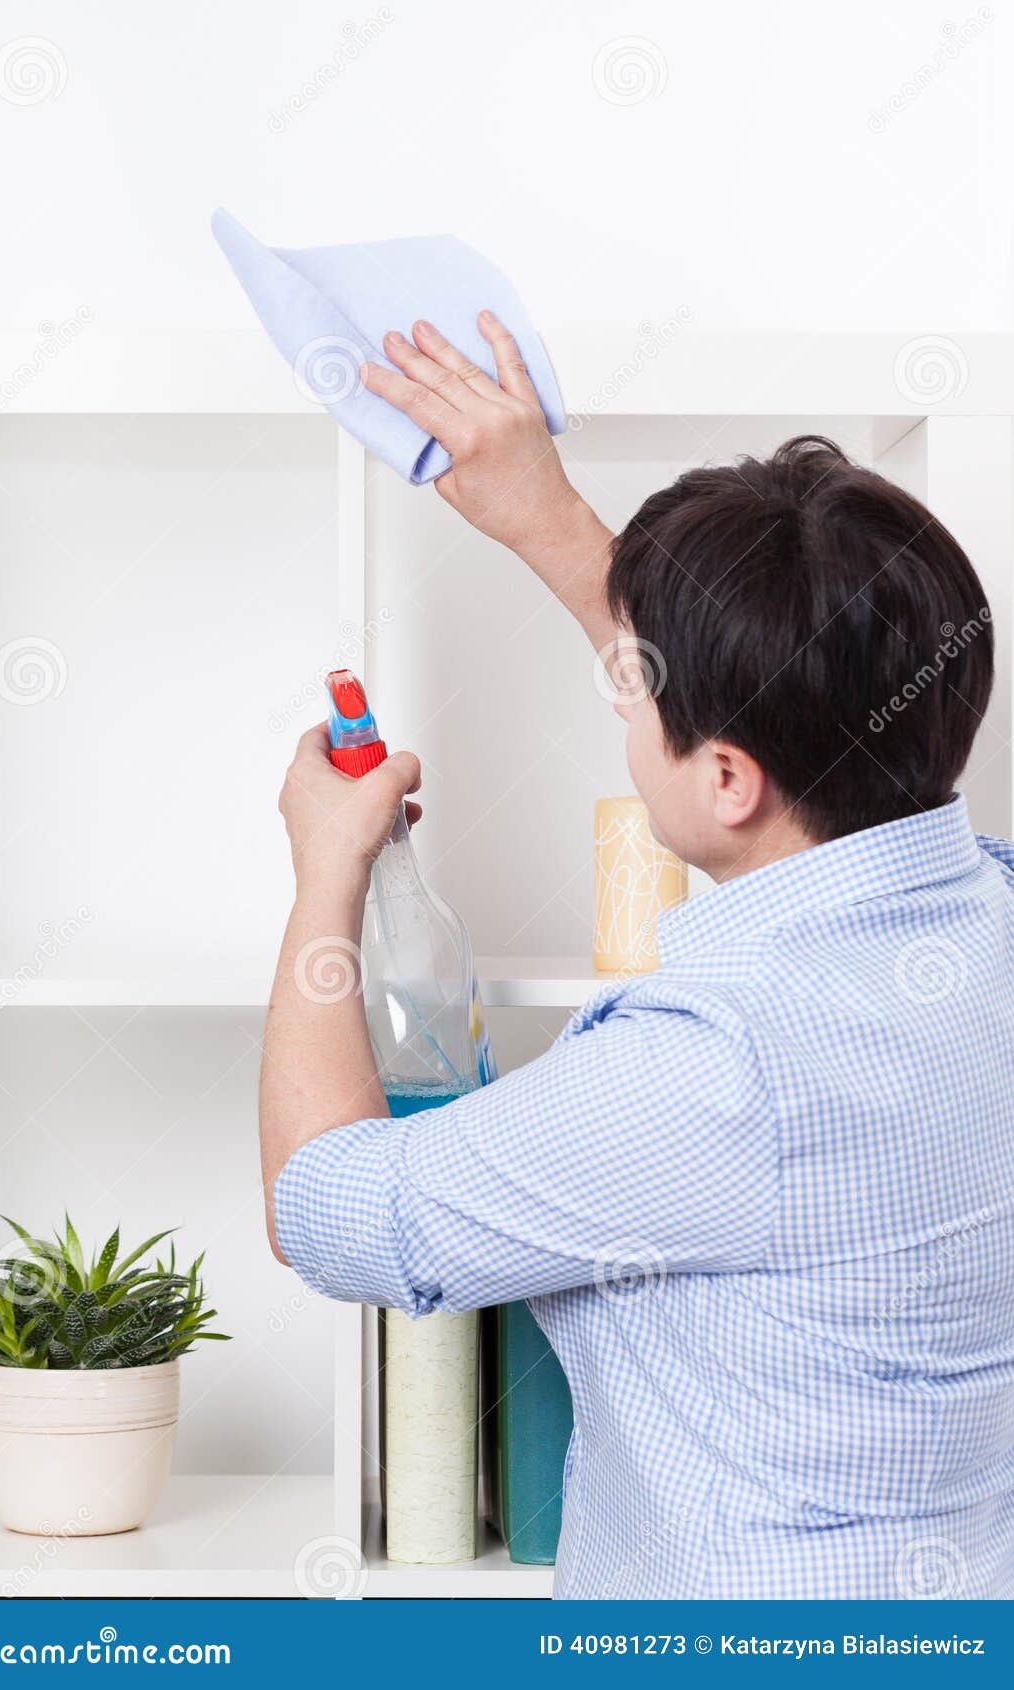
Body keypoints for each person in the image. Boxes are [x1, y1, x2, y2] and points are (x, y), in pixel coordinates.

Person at [259, 314, 1014, 1599]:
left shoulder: (713, 1073)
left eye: (641, 701)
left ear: (725, 775)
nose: (623, 704)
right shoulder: (983, 907)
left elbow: (334, 1215)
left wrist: (325, 870)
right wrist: (544, 516)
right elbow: (774, 697)